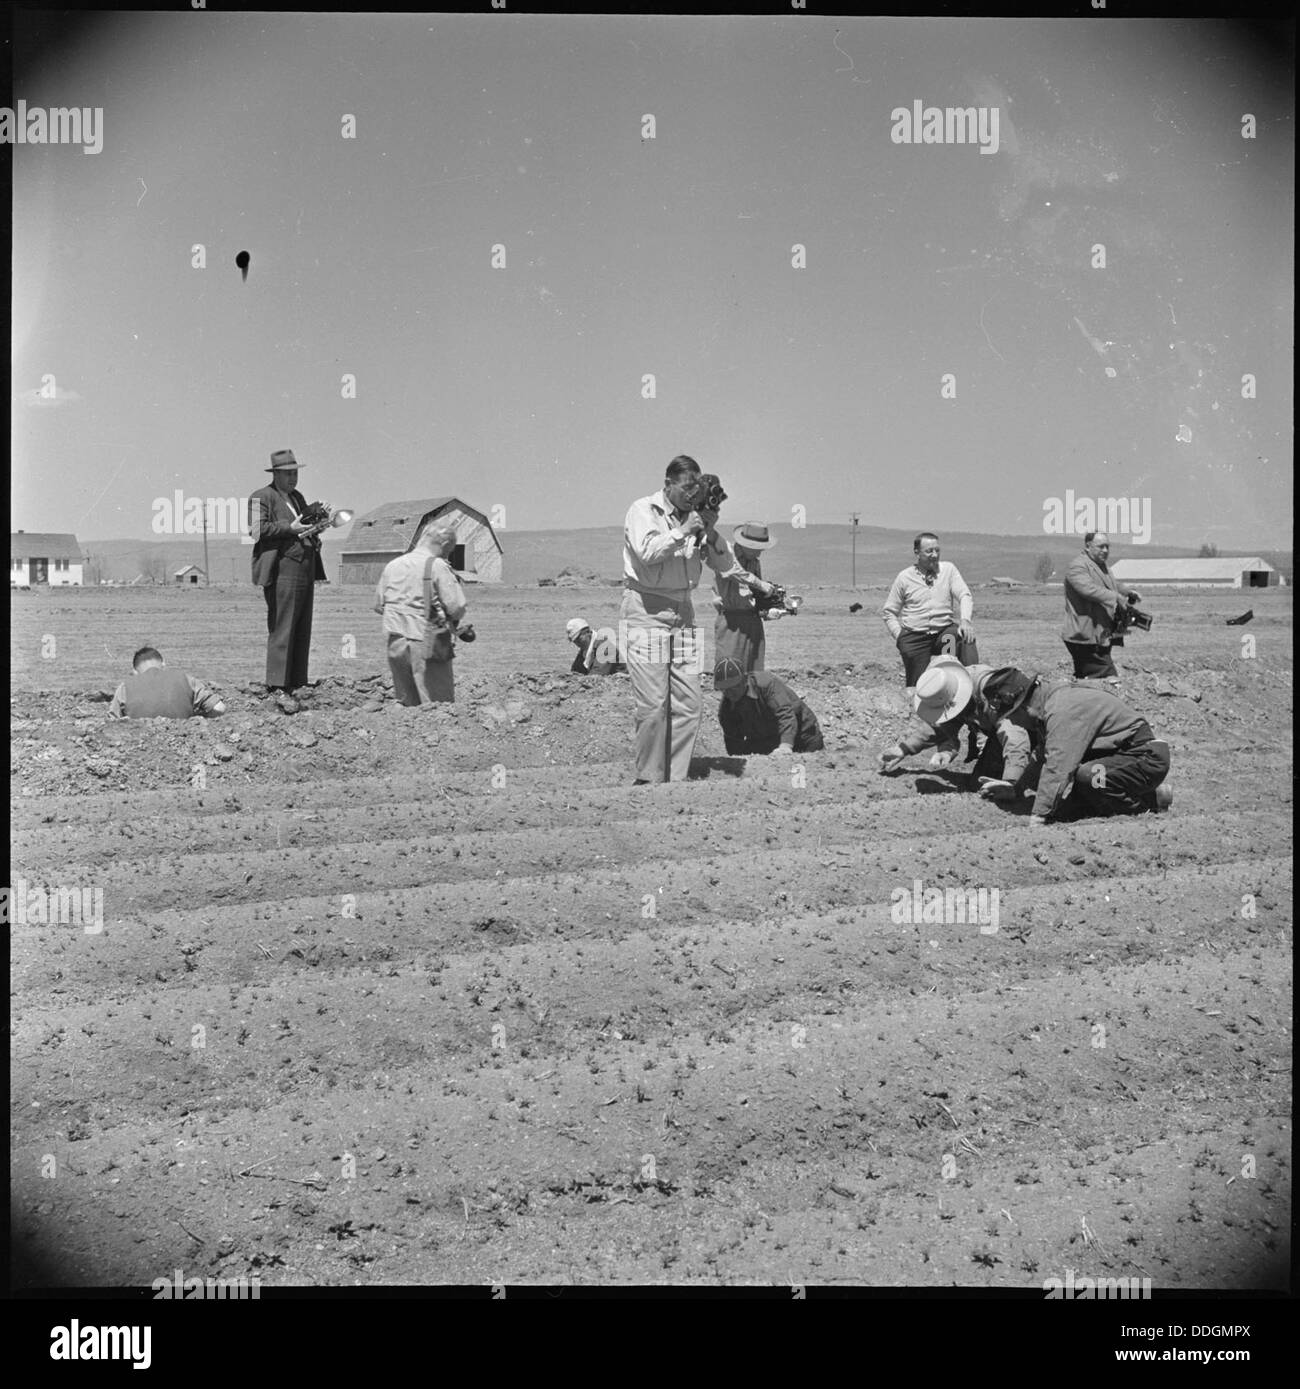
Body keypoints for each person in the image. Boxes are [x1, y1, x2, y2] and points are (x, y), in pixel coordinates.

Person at [621, 455, 753, 784]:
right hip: (648, 612)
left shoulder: (694, 519)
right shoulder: (643, 511)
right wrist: (683, 531)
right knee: (654, 705)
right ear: (668, 484)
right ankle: (648, 779)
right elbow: (648, 553)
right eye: (685, 488)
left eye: (695, 488)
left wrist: (707, 528)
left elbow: (724, 564)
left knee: (690, 704)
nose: (690, 494)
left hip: (684, 612)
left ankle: (673, 781)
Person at [980, 667, 1172, 823]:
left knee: (1090, 776)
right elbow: (1043, 757)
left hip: (1143, 756)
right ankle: (1153, 795)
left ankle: (1144, 807)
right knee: (1066, 813)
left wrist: (1039, 816)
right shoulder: (1048, 703)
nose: (1015, 724)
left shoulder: (1061, 710)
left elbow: (1058, 765)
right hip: (1116, 758)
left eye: (1012, 718)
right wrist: (1017, 788)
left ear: (1022, 707)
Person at [878, 656, 1040, 792]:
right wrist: (903, 749)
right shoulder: (951, 690)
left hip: (1031, 732)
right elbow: (939, 726)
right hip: (1003, 735)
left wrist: (1010, 780)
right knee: (979, 784)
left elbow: (1015, 736)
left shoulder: (991, 692)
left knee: (1023, 782)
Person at [248, 448, 328, 693]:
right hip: (281, 570)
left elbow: (302, 527)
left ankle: (298, 681)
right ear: (275, 474)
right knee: (283, 626)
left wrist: (319, 525)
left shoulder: (298, 497)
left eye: (295, 473)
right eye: (287, 474)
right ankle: (278, 685)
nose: (292, 478)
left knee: (302, 626)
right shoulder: (260, 496)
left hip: (305, 566)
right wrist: (290, 528)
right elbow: (256, 530)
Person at [373, 523, 468, 705]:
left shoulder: (393, 565)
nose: (449, 553)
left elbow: (378, 605)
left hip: (395, 641)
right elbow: (457, 607)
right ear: (445, 543)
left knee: (407, 704)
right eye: (450, 548)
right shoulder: (437, 566)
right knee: (438, 705)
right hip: (427, 642)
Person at [881, 532, 977, 706]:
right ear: (917, 552)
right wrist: (900, 636)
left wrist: (965, 620)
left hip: (943, 633)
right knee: (919, 689)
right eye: (929, 551)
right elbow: (889, 612)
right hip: (915, 636)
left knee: (963, 637)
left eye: (937, 550)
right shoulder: (904, 577)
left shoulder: (948, 570)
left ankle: (974, 686)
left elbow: (964, 595)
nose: (934, 555)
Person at [1062, 532, 1141, 680]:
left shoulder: (1101, 566)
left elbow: (1111, 584)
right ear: (1087, 546)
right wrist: (1117, 597)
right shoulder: (1077, 567)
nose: (1105, 550)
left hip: (1098, 634)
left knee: (1087, 677)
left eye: (1107, 547)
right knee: (1106, 676)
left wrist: (1126, 591)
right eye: (1101, 546)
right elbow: (1088, 589)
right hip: (1083, 636)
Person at [713, 658, 824, 756]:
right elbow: (733, 740)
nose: (730, 693)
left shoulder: (766, 684)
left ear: (745, 679)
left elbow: (785, 715)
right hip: (769, 740)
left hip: (803, 735)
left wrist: (786, 746)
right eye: (725, 689)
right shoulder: (727, 708)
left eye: (734, 687)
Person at [712, 523, 783, 674]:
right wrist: (761, 584)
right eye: (757, 548)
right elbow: (734, 572)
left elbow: (756, 594)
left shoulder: (754, 562)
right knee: (729, 669)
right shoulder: (726, 554)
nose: (760, 553)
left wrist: (767, 611)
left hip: (751, 620)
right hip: (730, 620)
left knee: (754, 670)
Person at [108, 647, 226, 719]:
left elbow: (112, 724)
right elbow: (219, 708)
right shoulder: (186, 679)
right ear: (163, 663)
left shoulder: (125, 688)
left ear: (134, 671)